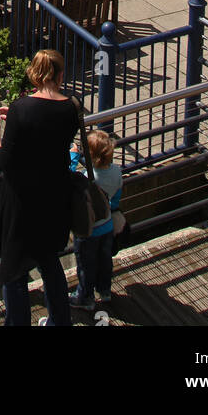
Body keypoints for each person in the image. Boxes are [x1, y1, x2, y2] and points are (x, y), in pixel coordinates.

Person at [0, 49, 75, 327]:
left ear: (34, 74)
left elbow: (7, 161)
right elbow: (47, 132)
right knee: (49, 261)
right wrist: (18, 119)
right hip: (54, 197)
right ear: (59, 75)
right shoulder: (71, 107)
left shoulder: (23, 108)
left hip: (22, 201)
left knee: (13, 270)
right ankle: (61, 320)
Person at [70, 131, 122, 309]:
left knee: (86, 266)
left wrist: (74, 156)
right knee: (104, 261)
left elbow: (67, 178)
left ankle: (85, 297)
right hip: (107, 224)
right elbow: (116, 196)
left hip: (88, 229)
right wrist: (112, 207)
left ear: (89, 156)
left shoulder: (86, 178)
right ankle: (105, 291)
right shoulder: (116, 172)